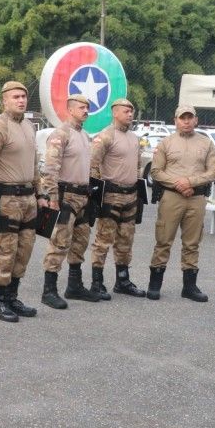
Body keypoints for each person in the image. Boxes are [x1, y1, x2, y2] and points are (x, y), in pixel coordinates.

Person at [0, 81, 41, 323]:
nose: (21, 100)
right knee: (6, 250)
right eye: (15, 97)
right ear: (4, 100)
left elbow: (34, 163)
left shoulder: (28, 125)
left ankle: (13, 297)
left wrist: (41, 193)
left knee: (24, 249)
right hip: (7, 198)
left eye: (23, 96)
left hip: (28, 197)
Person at [148, 105, 215, 302]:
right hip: (172, 196)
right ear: (176, 120)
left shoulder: (206, 144)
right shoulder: (166, 143)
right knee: (163, 240)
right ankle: (155, 284)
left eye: (190, 117)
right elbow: (156, 171)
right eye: (183, 118)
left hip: (196, 198)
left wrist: (191, 182)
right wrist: (178, 184)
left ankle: (189, 286)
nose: (186, 121)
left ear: (196, 120)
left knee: (192, 242)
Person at [39, 94, 95, 309]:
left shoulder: (84, 135)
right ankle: (49, 290)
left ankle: (74, 286)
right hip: (65, 196)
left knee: (80, 241)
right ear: (70, 109)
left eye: (87, 107)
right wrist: (52, 196)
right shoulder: (60, 134)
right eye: (81, 107)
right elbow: (50, 168)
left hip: (83, 196)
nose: (86, 110)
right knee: (59, 242)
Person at [88, 98, 146, 300]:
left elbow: (138, 166)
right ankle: (97, 283)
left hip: (131, 195)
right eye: (126, 110)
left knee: (126, 240)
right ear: (115, 113)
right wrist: (96, 195)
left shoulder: (134, 138)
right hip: (110, 195)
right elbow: (93, 165)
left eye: (132, 110)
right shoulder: (105, 136)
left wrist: (138, 193)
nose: (130, 113)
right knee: (103, 240)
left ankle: (123, 281)